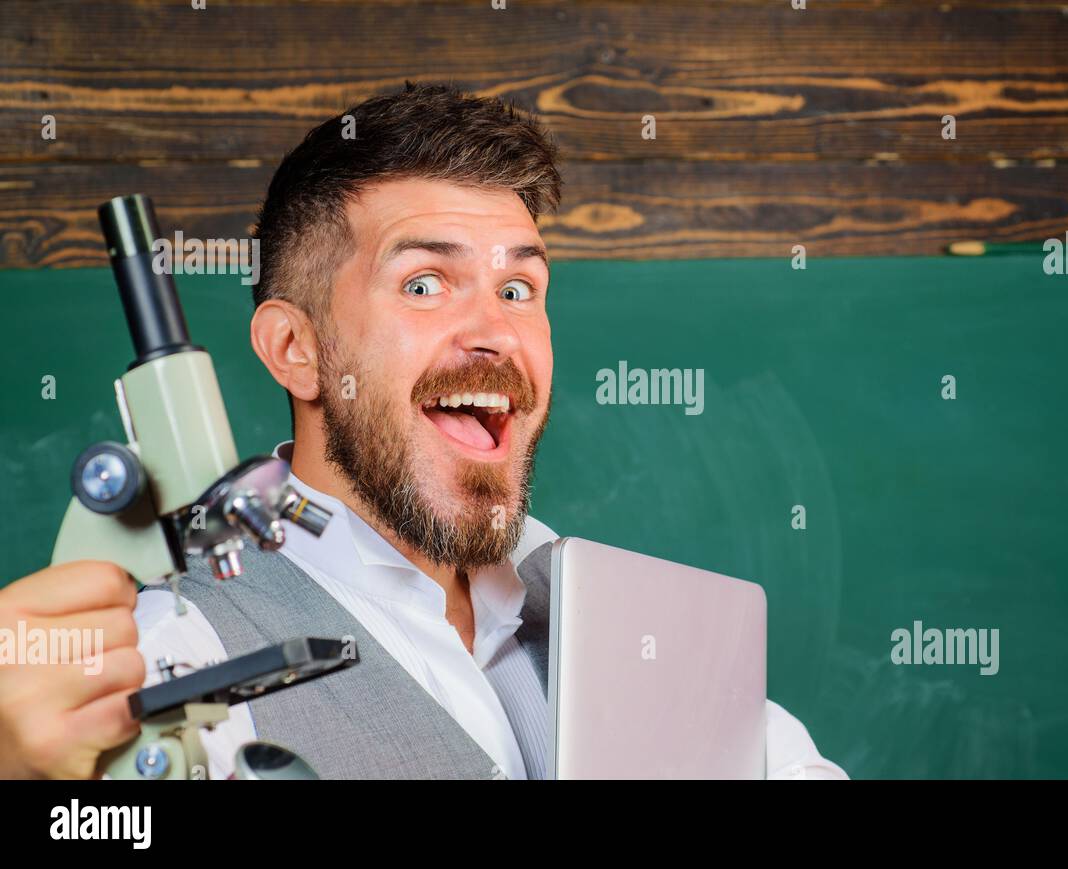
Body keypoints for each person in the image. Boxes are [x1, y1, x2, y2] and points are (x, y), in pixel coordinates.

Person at [0, 82, 846, 780]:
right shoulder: (167, 662)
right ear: (296, 349)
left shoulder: (645, 632)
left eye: (519, 291)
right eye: (425, 283)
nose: (496, 331)